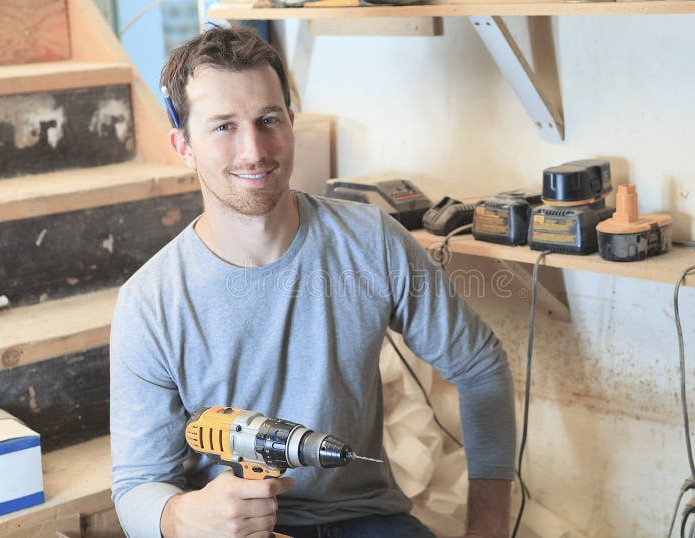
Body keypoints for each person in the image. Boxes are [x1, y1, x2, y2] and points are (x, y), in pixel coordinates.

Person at [109, 25, 515, 538]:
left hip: (366, 517)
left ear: (291, 123)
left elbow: (480, 366)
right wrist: (184, 517)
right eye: (223, 127)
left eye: (268, 119)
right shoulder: (151, 303)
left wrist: (488, 529)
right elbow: (135, 487)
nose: (253, 149)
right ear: (183, 145)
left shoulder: (372, 240)